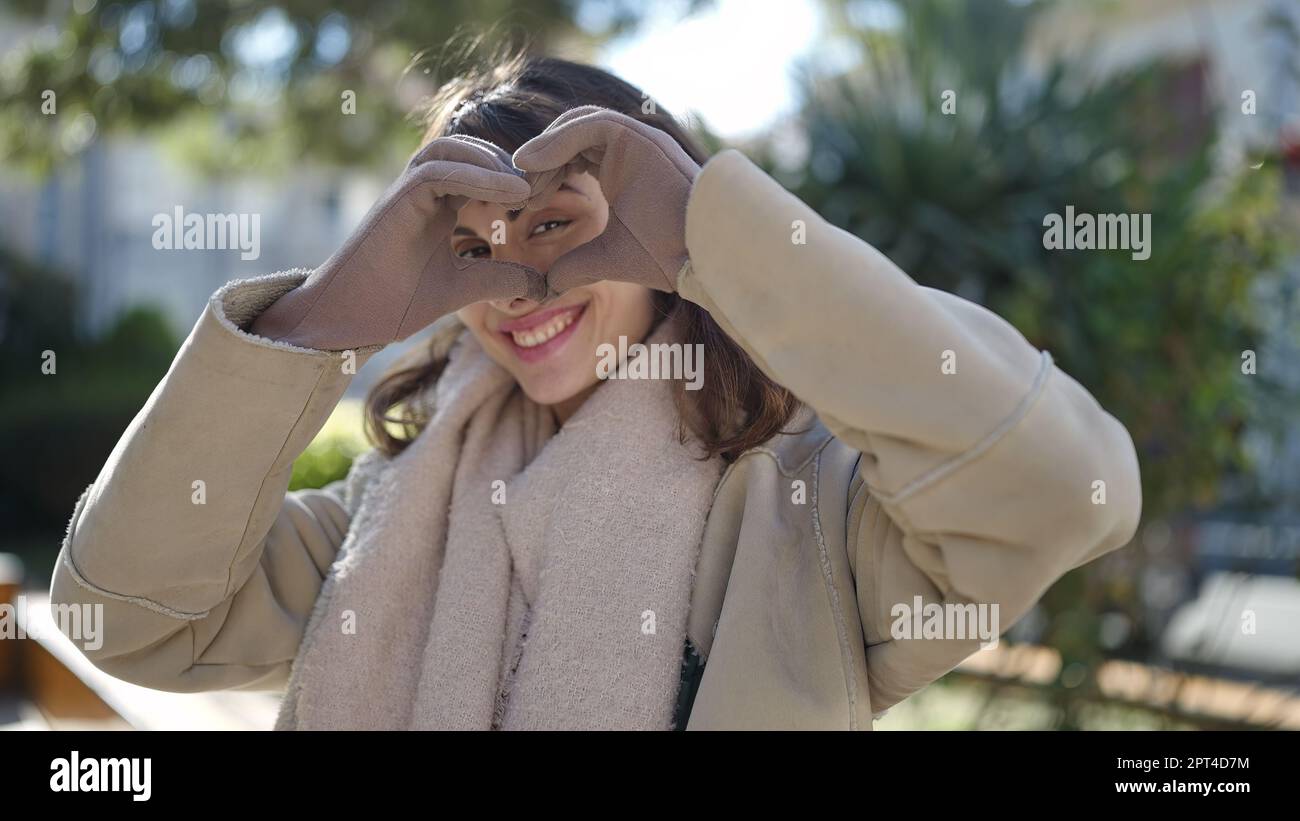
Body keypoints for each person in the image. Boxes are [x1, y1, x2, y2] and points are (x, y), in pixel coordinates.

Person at [49, 54, 1142, 730]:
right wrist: (316, 323)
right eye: (471, 252)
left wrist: (713, 230)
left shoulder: (813, 515)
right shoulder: (388, 508)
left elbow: (1066, 492)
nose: (523, 280)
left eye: (561, 230)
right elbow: (130, 618)